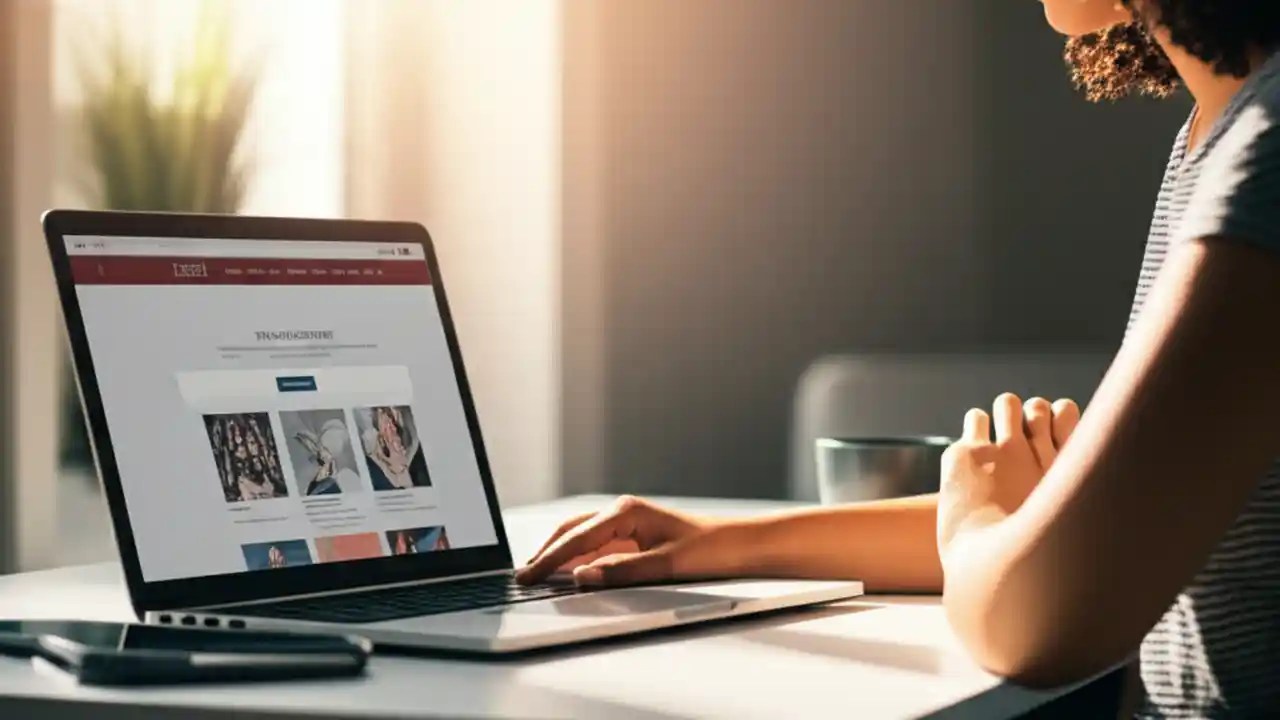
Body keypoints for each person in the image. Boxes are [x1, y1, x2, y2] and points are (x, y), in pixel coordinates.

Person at [518, 2, 1280, 715]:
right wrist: (718, 543)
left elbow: (1035, 618)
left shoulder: (1267, 151)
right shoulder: (1217, 135)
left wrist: (980, 507)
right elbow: (1085, 532)